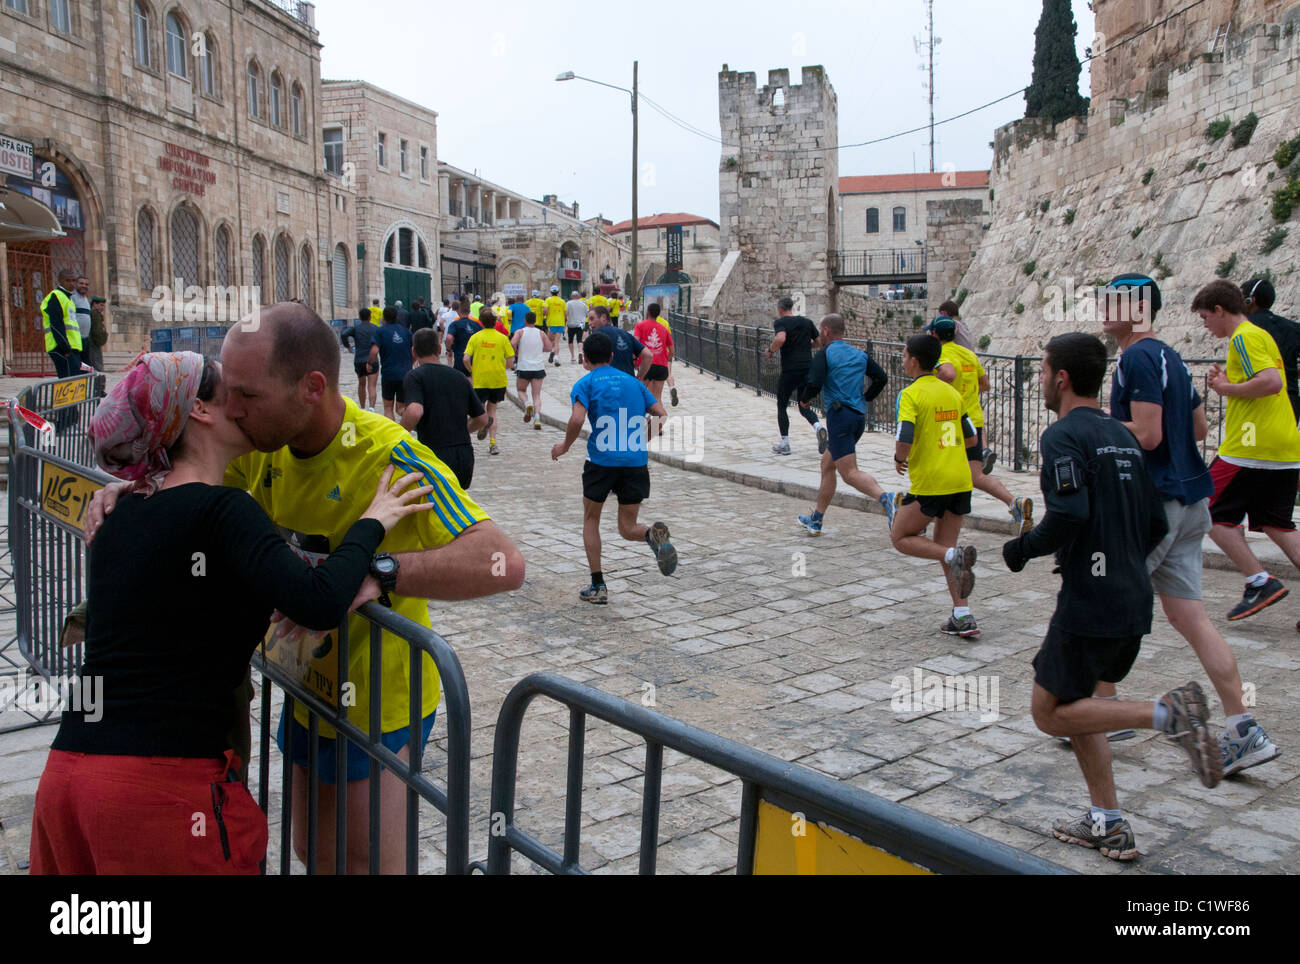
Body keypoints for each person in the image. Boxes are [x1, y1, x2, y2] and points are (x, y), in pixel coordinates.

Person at [85, 305, 525, 875]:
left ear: (311, 388)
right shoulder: (256, 447)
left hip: (376, 701)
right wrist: (127, 488)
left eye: (246, 395)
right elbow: (190, 481)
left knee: (368, 862)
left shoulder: (388, 455)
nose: (230, 410)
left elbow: (504, 562)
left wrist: (382, 573)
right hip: (307, 689)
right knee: (311, 850)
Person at [32, 352, 436, 874]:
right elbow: (318, 600)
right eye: (235, 395)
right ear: (200, 409)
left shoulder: (121, 511)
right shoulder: (223, 510)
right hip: (159, 790)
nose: (247, 408)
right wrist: (372, 523)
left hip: (69, 777)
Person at [1001, 332, 1219, 863]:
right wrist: (1118, 561)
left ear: (1061, 377)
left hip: (1090, 604)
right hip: (1131, 599)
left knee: (1050, 713)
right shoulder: (1125, 439)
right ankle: (1109, 822)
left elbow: (1068, 515)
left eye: (1043, 370)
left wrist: (1022, 548)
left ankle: (1168, 714)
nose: (1040, 380)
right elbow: (1150, 522)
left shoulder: (1063, 436)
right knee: (1086, 708)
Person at [1103, 273, 1279, 774]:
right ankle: (1244, 729)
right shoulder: (1171, 356)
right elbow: (1199, 427)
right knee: (1191, 618)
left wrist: (1091, 423)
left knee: (1105, 597)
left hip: (1155, 504)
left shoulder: (1136, 357)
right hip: (1191, 502)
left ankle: (1103, 712)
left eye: (1110, 299)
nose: (1100, 306)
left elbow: (1149, 434)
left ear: (1134, 308)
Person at [1196, 280, 1300, 621]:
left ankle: (1259, 581)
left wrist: (1225, 387)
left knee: (1206, 507)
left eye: (1205, 317)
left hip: (1252, 443)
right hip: (1283, 444)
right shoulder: (1260, 335)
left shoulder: (1244, 336)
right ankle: (1258, 581)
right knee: (1276, 523)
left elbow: (1272, 382)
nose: (1205, 325)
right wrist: (1229, 381)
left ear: (1220, 310)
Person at [552, 330, 676, 604]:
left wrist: (565, 446)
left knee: (591, 519)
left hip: (601, 463)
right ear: (611, 356)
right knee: (627, 527)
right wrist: (641, 440)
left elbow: (576, 419)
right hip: (634, 463)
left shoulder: (585, 384)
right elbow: (662, 414)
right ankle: (650, 534)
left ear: (585, 358)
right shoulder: (634, 383)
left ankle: (598, 586)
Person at [889, 334, 980, 636]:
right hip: (960, 479)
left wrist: (900, 457)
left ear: (914, 360)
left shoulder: (911, 394)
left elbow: (905, 436)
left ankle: (954, 556)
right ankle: (963, 616)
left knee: (900, 536)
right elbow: (971, 438)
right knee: (943, 547)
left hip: (931, 482)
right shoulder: (951, 393)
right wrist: (943, 443)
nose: (902, 360)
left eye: (904, 356)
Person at [931, 317, 1033, 534]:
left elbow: (948, 374)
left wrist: (934, 387)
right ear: (956, 331)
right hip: (974, 421)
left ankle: (918, 519)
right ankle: (1014, 503)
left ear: (934, 335)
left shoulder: (941, 354)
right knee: (975, 475)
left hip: (950, 422)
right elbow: (985, 385)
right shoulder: (968, 354)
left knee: (939, 469)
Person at [794, 315, 893, 535]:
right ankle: (816, 519)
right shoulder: (860, 354)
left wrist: (805, 399)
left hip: (839, 417)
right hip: (858, 417)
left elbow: (815, 381)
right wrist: (866, 397)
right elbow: (882, 378)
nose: (819, 334)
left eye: (820, 330)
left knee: (849, 473)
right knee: (827, 465)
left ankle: (888, 500)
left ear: (826, 331)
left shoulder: (825, 353)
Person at [401, 328, 489, 489]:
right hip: (463, 453)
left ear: (413, 352)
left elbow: (415, 411)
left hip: (433, 452)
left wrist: (398, 433)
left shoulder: (415, 377)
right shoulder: (459, 377)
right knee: (458, 504)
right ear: (439, 349)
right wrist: (463, 430)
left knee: (436, 507)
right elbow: (482, 418)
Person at [765, 296, 824, 455]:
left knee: (782, 404)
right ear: (792, 307)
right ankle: (818, 427)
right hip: (807, 368)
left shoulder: (781, 322)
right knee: (804, 405)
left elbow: (780, 338)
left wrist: (771, 350)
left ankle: (785, 443)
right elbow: (819, 342)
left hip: (790, 370)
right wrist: (806, 346)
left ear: (780, 309)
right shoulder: (806, 322)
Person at [1241, 277, 1300, 423]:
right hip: (1291, 402)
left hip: (1261, 403)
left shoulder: (1246, 328)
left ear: (1251, 300)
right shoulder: (1292, 328)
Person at [464, 309, 515, 456]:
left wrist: (471, 370)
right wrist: (502, 367)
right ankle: (493, 444)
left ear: (481, 321)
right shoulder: (502, 338)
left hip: (480, 379)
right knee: (492, 410)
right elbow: (510, 361)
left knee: (478, 412)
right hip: (498, 379)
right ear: (495, 322)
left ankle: (472, 437)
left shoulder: (475, 337)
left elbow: (466, 359)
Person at [41, 268, 83, 378]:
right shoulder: (56, 297)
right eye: (68, 281)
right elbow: (56, 325)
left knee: (75, 379)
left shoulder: (68, 299)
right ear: (60, 281)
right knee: (67, 380)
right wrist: (65, 347)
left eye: (74, 281)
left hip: (73, 346)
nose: (72, 284)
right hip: (60, 347)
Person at [588, 305, 650, 378]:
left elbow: (590, 363)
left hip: (608, 381)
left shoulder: (596, 334)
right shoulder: (625, 334)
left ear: (603, 317)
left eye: (592, 319)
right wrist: (640, 377)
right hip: (628, 381)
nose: (589, 323)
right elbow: (648, 355)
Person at [376, 306, 414, 421]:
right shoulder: (406, 331)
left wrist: (370, 362)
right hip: (405, 373)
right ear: (396, 317)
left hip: (389, 373)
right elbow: (415, 350)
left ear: (383, 317)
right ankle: (415, 423)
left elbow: (373, 351)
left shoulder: (380, 331)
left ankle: (391, 432)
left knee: (388, 408)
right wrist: (412, 362)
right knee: (401, 408)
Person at [632, 303, 674, 405]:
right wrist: (665, 359)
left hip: (646, 364)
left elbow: (635, 343)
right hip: (661, 366)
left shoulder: (640, 325)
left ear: (648, 312)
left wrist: (634, 359)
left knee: (639, 395)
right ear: (658, 314)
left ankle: (644, 418)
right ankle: (657, 420)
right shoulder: (664, 329)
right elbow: (672, 351)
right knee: (657, 398)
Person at [512, 311, 548, 430]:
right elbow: (548, 347)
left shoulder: (520, 332)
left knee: (521, 390)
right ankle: (537, 418)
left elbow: (512, 342)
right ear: (535, 321)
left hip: (524, 367)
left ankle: (527, 404)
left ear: (525, 321)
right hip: (538, 367)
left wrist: (516, 351)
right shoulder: (541, 333)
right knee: (537, 395)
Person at [341, 308, 381, 412]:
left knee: (361, 384)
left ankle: (362, 407)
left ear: (359, 317)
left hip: (359, 359)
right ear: (370, 317)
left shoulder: (356, 328)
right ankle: (371, 407)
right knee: (372, 385)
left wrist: (348, 346)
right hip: (372, 359)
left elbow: (344, 334)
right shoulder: (375, 328)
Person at [445, 300, 480, 376]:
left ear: (459, 311)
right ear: (469, 311)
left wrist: (449, 349)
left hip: (460, 357)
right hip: (475, 358)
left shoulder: (455, 324)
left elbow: (449, 337)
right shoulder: (476, 324)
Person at [71, 275, 96, 371]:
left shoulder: (86, 300)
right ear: (76, 284)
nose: (84, 286)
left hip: (85, 339)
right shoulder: (72, 298)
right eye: (81, 283)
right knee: (76, 367)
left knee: (85, 367)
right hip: (75, 339)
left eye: (86, 284)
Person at [544, 285, 567, 365]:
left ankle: (552, 353)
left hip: (551, 322)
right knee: (557, 341)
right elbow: (566, 313)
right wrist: (565, 321)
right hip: (560, 322)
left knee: (550, 340)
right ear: (558, 292)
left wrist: (546, 315)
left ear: (551, 292)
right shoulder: (562, 301)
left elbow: (545, 310)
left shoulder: (548, 300)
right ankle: (556, 357)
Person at [566, 290, 588, 364]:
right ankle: (580, 352)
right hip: (580, 324)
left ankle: (572, 357)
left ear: (571, 296)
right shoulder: (583, 304)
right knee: (579, 340)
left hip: (571, 324)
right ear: (578, 296)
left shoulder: (568, 303)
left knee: (570, 340)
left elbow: (566, 313)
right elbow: (587, 313)